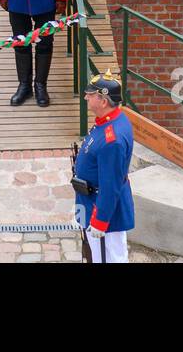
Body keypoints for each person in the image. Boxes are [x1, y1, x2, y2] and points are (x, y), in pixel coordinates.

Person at [74, 72, 135, 263]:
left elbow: (110, 184)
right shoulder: (110, 120)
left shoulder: (112, 140)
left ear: (103, 101)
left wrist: (100, 221)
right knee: (97, 255)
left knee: (112, 257)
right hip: (89, 200)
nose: (86, 97)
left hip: (102, 208)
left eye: (90, 95)